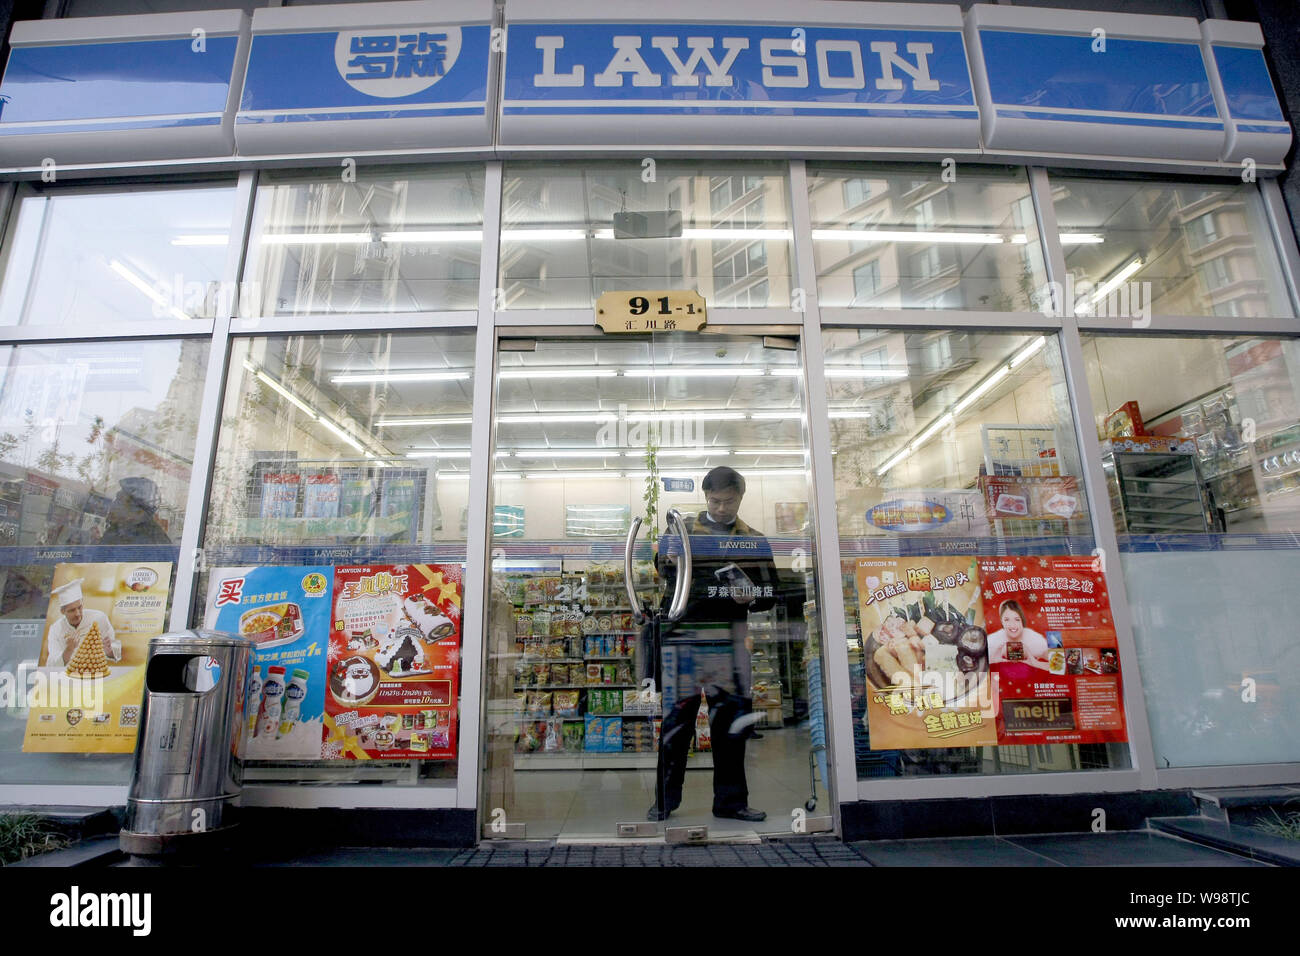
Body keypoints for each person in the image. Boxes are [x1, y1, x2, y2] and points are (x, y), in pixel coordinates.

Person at [645, 466, 779, 823]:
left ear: (741, 497)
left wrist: (750, 597)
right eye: (715, 501)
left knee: (731, 728)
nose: (721, 508)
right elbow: (662, 571)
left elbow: (771, 594)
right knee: (676, 725)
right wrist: (666, 560)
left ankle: (731, 803)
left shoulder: (753, 538)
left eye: (729, 501)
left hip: (730, 645)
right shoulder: (682, 531)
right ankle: (664, 802)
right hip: (684, 642)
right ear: (706, 497)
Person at [45, 578, 120, 667]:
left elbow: (115, 650)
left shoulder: (99, 618)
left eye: (79, 607)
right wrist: (69, 650)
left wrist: (110, 652)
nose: (77, 614)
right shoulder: (56, 629)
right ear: (62, 611)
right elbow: (52, 664)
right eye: (72, 610)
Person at [986, 598, 1051, 672]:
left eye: (1017, 619)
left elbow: (1060, 667)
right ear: (1001, 621)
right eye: (1007, 620)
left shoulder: (1035, 639)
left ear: (1022, 620)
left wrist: (1035, 663)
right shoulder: (992, 641)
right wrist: (994, 662)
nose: (1012, 625)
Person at [103, 476, 171, 545]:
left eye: (119, 500)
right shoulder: (116, 530)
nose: (113, 505)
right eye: (116, 499)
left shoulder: (153, 542)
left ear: (138, 512)